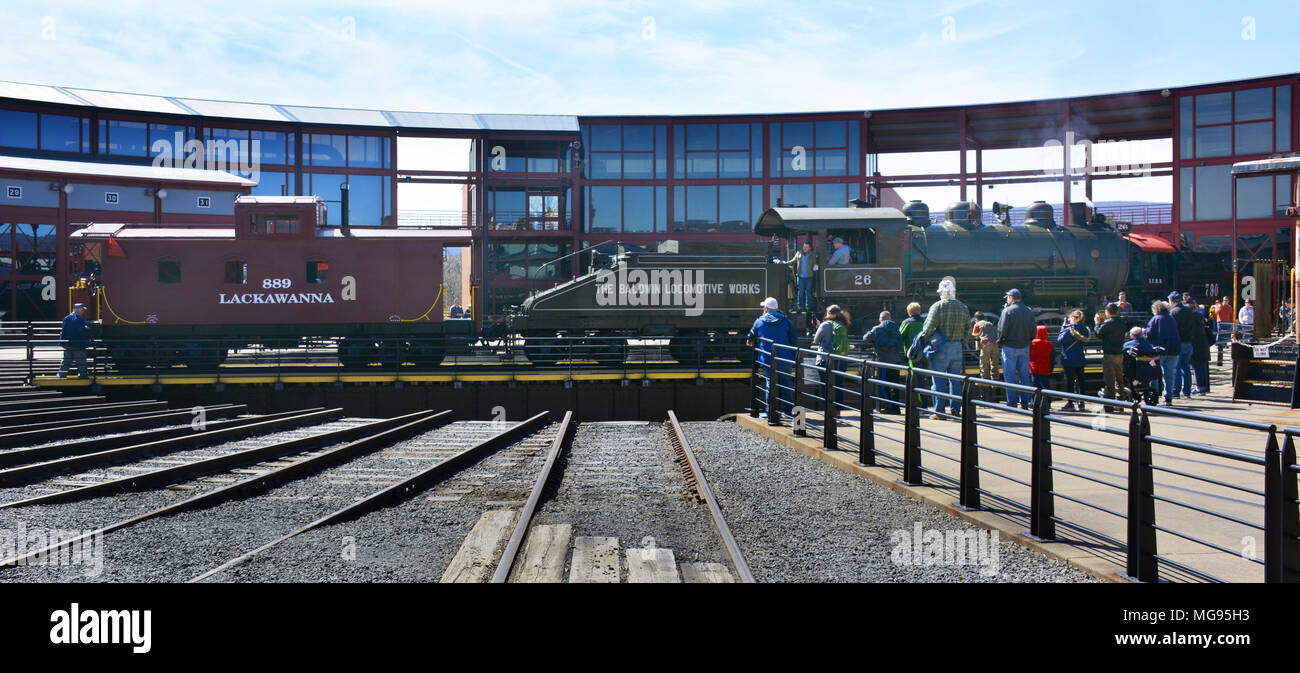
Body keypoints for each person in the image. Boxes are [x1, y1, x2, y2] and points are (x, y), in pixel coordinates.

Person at [918, 279, 970, 420]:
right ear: (953, 292)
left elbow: (928, 328)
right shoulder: (962, 307)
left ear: (941, 293)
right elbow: (968, 329)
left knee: (938, 381)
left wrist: (925, 341)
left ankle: (939, 412)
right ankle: (955, 410)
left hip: (941, 347)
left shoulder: (937, 306)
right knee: (955, 381)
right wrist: (962, 342)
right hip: (957, 347)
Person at [747, 297, 798, 418]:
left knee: (770, 385)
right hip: (785, 359)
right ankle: (788, 412)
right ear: (776, 308)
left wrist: (750, 341)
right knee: (786, 385)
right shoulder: (786, 321)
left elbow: (750, 336)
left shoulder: (759, 321)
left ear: (766, 308)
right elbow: (794, 340)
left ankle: (771, 412)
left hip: (768, 359)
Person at [996, 288, 1036, 410]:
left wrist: (1000, 341)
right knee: (1025, 376)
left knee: (1009, 376)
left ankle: (1012, 403)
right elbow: (1033, 331)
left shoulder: (1007, 311)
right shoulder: (1029, 311)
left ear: (1011, 298)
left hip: (1009, 347)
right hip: (1024, 347)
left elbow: (1002, 330)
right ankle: (1025, 402)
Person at [862, 310, 904, 414]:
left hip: (884, 361)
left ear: (880, 319)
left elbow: (865, 338)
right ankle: (896, 407)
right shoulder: (896, 328)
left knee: (883, 385)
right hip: (896, 361)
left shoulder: (877, 328)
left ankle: (890, 407)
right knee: (895, 385)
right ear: (890, 318)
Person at [812, 304, 850, 414]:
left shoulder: (826, 324)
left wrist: (818, 327)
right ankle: (837, 411)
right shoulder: (842, 325)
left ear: (828, 313)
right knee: (838, 385)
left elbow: (816, 339)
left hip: (825, 360)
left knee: (826, 385)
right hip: (841, 360)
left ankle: (828, 410)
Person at [1146, 300, 1181, 406]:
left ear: (1156, 309)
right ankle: (1168, 398)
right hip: (1173, 350)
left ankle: (1154, 396)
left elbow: (1149, 334)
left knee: (1155, 374)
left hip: (1159, 350)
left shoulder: (1155, 319)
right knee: (1169, 375)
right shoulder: (1172, 319)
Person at [1056, 310, 1092, 411]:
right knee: (1081, 381)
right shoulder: (1085, 329)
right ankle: (1082, 403)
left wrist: (1062, 328)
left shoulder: (1068, 329)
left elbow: (1060, 340)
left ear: (1074, 318)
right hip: (1080, 358)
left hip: (1069, 359)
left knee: (1070, 382)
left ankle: (1070, 403)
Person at [1096, 303, 1128, 409]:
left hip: (1109, 354)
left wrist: (1097, 324)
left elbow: (1099, 334)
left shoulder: (1107, 323)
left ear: (1108, 312)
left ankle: (1110, 404)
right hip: (1119, 353)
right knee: (1119, 379)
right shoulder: (1122, 322)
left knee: (1110, 379)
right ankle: (1121, 403)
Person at [1123, 326, 1165, 404]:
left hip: (1134, 373)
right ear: (1142, 335)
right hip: (1149, 372)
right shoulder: (1150, 345)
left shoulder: (1127, 345)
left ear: (1131, 335)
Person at [1168, 291, 1197, 397]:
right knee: (1186, 368)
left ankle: (1176, 391)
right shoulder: (1188, 311)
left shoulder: (1173, 313)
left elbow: (1172, 329)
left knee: (1177, 368)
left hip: (1178, 343)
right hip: (1189, 342)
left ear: (1171, 301)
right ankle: (1187, 391)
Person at [57, 303, 92, 379]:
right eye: (82, 309)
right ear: (78, 310)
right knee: (81, 361)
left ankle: (61, 375)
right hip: (77, 344)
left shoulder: (67, 318)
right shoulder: (78, 318)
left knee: (66, 362)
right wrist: (87, 328)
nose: (83, 311)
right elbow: (81, 331)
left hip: (67, 344)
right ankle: (83, 376)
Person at [971, 311, 1000, 390]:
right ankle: (995, 381)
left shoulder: (976, 325)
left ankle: (985, 380)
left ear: (976, 319)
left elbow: (976, 337)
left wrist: (977, 347)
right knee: (994, 362)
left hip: (985, 344)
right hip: (995, 344)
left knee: (984, 362)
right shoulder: (989, 323)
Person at [1029, 325, 1056, 404]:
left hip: (1035, 369)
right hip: (1045, 369)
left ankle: (1033, 403)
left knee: (1035, 387)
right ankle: (1048, 402)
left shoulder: (1032, 344)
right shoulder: (1049, 345)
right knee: (1046, 387)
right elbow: (1052, 358)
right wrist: (1051, 369)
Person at [786, 241, 815, 312]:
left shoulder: (812, 255)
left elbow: (815, 263)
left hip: (809, 276)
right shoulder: (799, 253)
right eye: (804, 246)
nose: (805, 248)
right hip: (800, 276)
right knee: (800, 292)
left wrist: (815, 266)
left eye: (806, 247)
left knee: (808, 292)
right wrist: (785, 263)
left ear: (809, 248)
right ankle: (800, 307)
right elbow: (793, 261)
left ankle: (808, 307)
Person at [1191, 309, 1212, 396]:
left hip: (1197, 347)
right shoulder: (1201, 321)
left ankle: (1200, 388)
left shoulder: (1193, 323)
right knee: (1202, 368)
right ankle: (1202, 387)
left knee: (1197, 368)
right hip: (1203, 346)